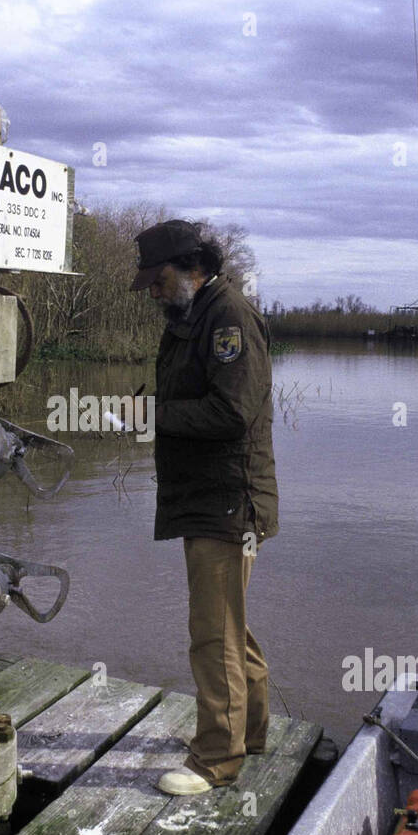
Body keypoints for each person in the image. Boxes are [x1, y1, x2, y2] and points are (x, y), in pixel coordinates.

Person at [130, 219, 280, 796]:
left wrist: (156, 417)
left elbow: (231, 413)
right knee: (229, 627)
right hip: (211, 498)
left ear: (191, 265)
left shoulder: (228, 316)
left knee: (212, 635)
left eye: (158, 278)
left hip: (227, 502)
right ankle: (254, 733)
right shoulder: (193, 315)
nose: (152, 290)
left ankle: (216, 761)